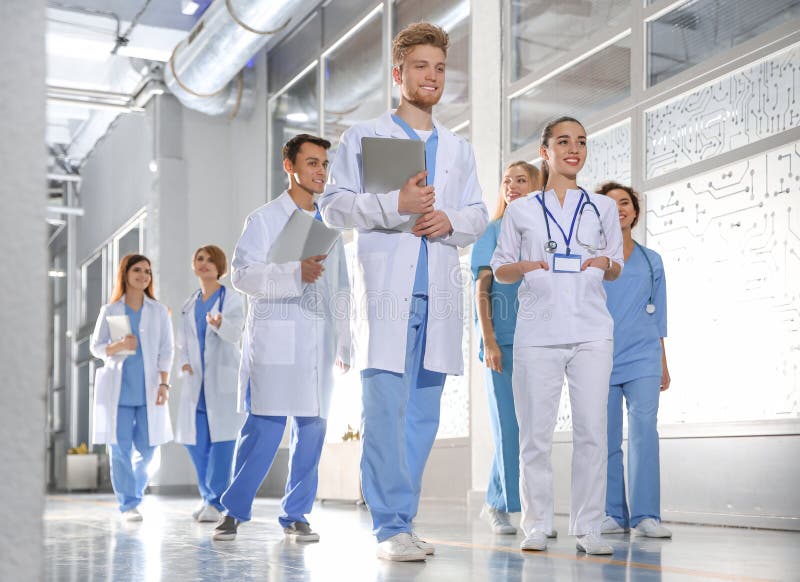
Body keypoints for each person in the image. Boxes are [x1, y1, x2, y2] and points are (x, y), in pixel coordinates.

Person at [319, 22, 487, 562]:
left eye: (439, 68)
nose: (432, 77)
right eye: (421, 66)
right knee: (385, 411)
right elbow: (333, 206)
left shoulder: (458, 149)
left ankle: (403, 520)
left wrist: (447, 221)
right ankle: (388, 525)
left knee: (421, 417)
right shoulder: (364, 137)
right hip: (386, 297)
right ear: (399, 74)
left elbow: (479, 214)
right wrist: (397, 204)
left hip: (436, 296)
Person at [490, 116, 623, 556]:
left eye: (581, 142)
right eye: (563, 141)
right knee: (535, 436)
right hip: (537, 334)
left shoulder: (601, 207)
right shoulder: (523, 209)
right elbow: (501, 270)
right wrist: (527, 266)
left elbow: (616, 264)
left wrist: (605, 264)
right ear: (544, 151)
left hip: (591, 332)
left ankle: (588, 529)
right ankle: (537, 525)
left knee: (592, 433)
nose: (574, 149)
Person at [212, 133, 351, 543]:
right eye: (312, 163)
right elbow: (240, 275)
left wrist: (343, 342)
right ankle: (233, 510)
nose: (320, 171)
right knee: (265, 428)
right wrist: (293, 273)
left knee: (313, 429)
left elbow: (341, 286)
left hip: (319, 339)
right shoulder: (264, 219)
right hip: (276, 335)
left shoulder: (331, 224)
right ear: (289, 166)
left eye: (324, 164)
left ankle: (297, 514)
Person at [472, 161, 551, 536]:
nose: (513, 186)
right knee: (508, 424)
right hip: (501, 340)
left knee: (530, 428)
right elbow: (481, 289)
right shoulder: (493, 231)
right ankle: (516, 509)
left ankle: (494, 500)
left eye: (522, 180)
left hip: (538, 341)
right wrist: (488, 340)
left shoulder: (544, 232)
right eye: (507, 181)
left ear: (537, 186)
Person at [596, 181, 672, 539]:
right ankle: (613, 513)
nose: (619, 209)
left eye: (624, 203)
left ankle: (646, 516)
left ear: (635, 211)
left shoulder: (650, 259)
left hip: (643, 356)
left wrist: (663, 361)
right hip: (602, 357)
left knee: (644, 433)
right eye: (610, 205)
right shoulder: (593, 260)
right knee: (606, 438)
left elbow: (658, 315)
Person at [90, 254, 174, 521]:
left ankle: (134, 491)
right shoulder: (111, 310)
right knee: (120, 448)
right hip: (119, 392)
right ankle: (128, 504)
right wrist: (118, 346)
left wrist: (163, 383)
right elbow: (96, 347)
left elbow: (166, 350)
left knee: (149, 449)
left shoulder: (159, 311)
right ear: (125, 274)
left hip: (149, 390)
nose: (143, 275)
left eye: (148, 271)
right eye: (137, 270)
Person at [175, 245, 246, 523]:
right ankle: (208, 497)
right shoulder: (189, 304)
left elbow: (236, 332)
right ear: (194, 265)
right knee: (196, 443)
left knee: (222, 444)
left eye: (210, 260)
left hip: (222, 379)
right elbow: (183, 341)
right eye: (199, 259)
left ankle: (216, 502)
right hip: (197, 382)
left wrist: (219, 324)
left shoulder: (231, 299)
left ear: (220, 267)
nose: (204, 264)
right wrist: (183, 361)